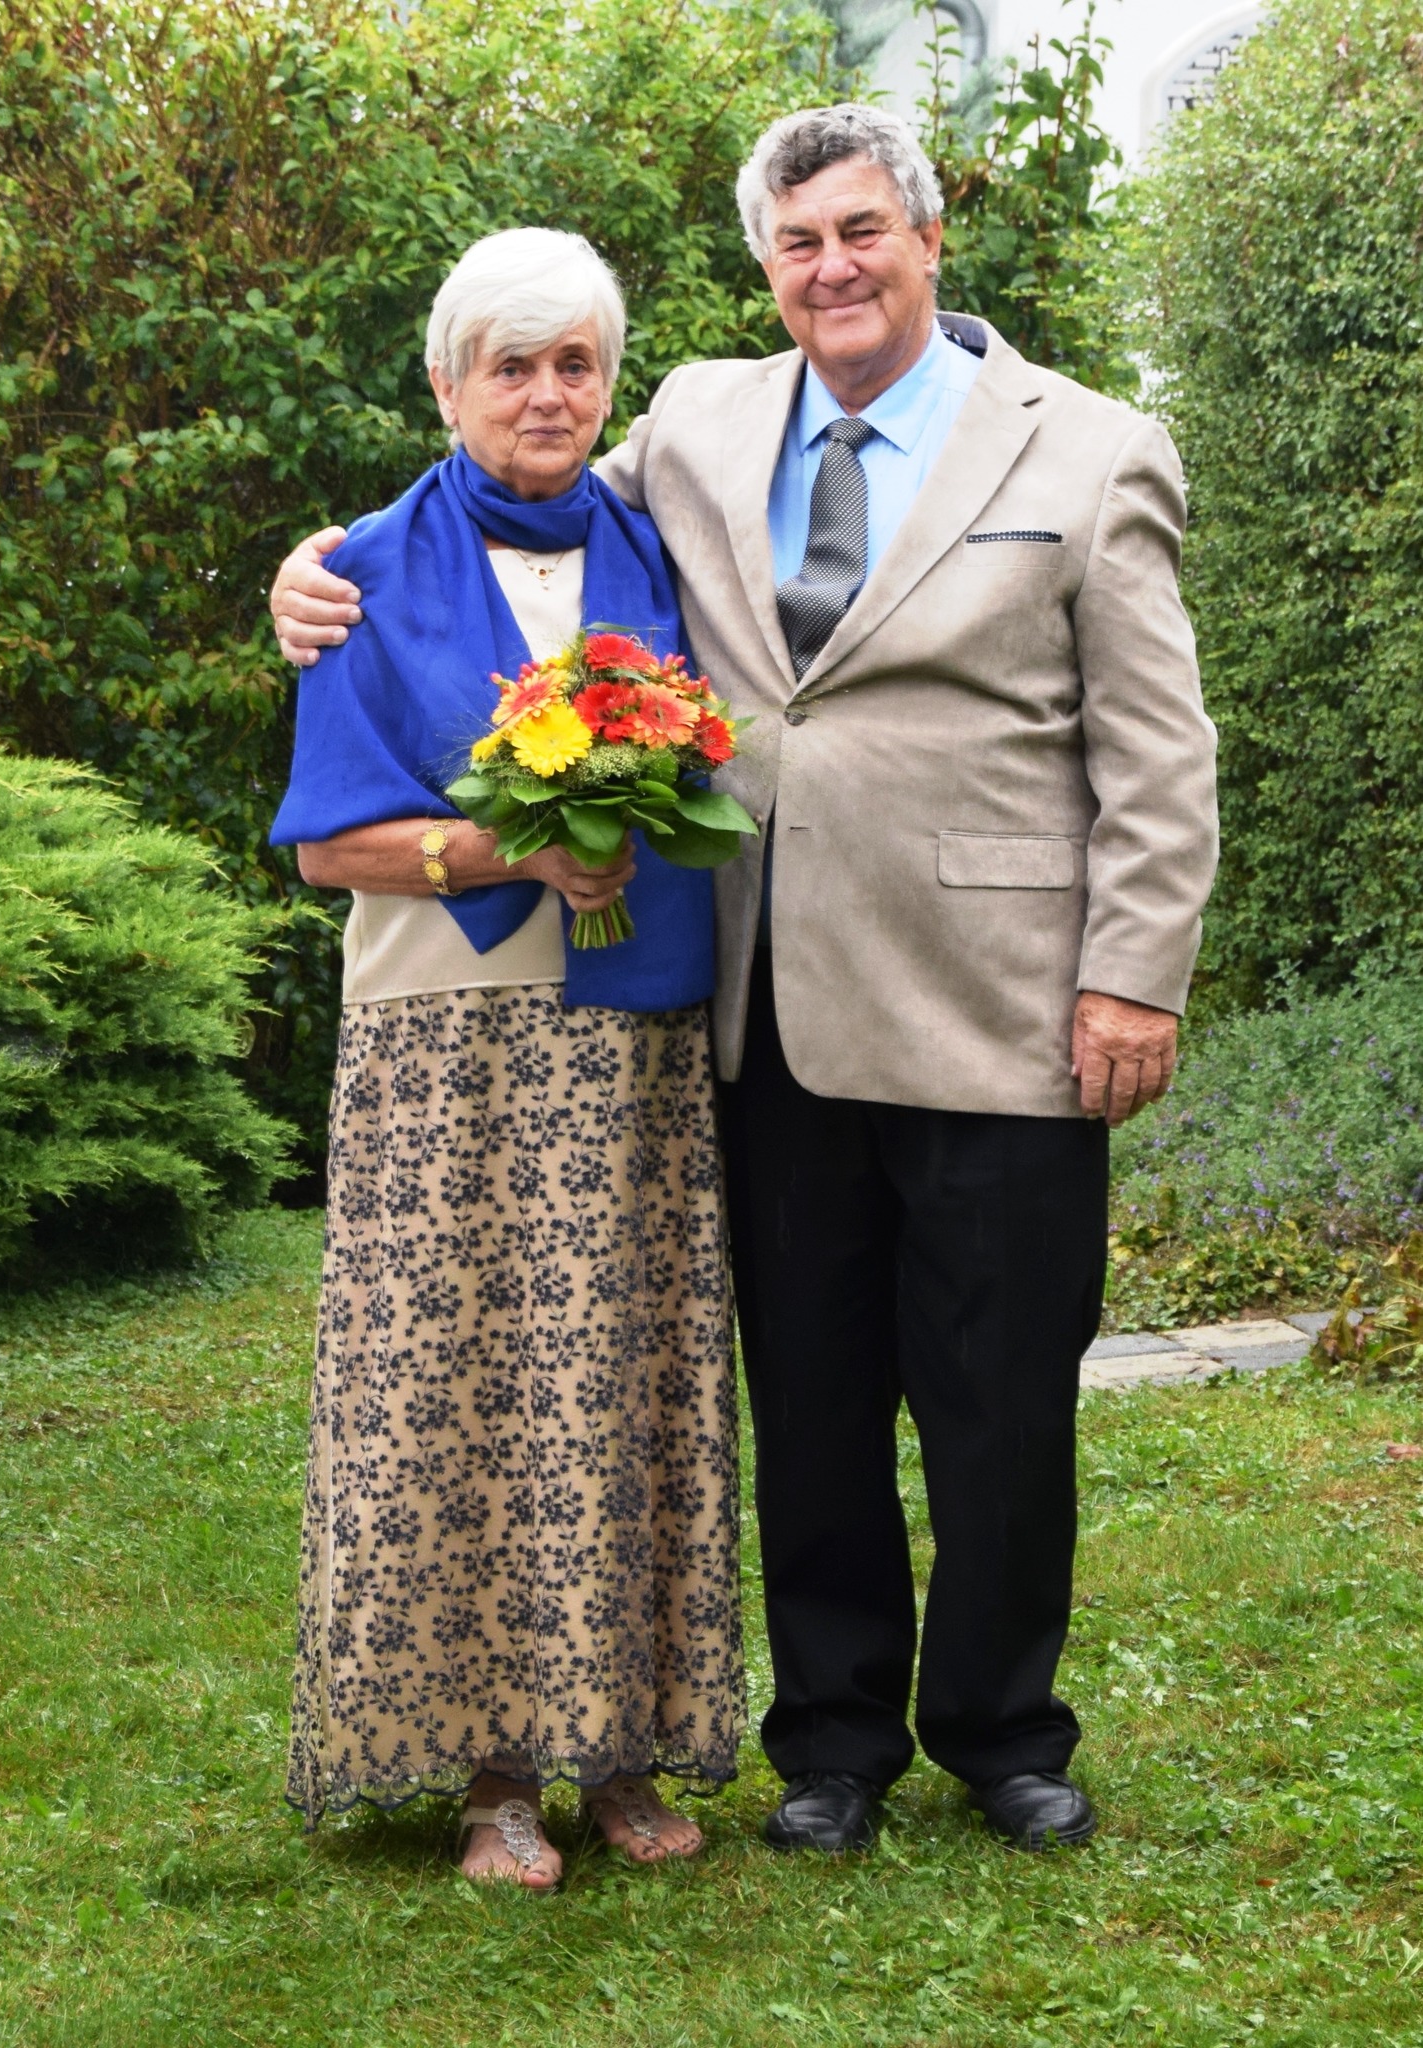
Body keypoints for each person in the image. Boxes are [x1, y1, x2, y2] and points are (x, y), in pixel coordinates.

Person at [271, 107, 1219, 1857]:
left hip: (1003, 1005)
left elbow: (1161, 752)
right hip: (767, 1012)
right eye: (798, 244)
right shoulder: (699, 424)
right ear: (767, 267)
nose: (832, 269)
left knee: (1005, 1399)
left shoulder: (1090, 449)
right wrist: (310, 571)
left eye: (861, 232)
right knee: (813, 1398)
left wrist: (1134, 980)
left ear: (928, 239)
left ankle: (1005, 1733)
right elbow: (509, 479)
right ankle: (834, 1744)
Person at [269, 227, 745, 1889]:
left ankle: (617, 1750)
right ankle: (490, 1781)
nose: (546, 394)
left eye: (576, 364)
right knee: (462, 1395)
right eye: (511, 365)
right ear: (445, 383)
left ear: (610, 384)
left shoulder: (660, 543)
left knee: (619, 1381)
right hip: (441, 1046)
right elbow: (325, 848)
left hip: (630, 1038)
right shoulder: (360, 572)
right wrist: (510, 850)